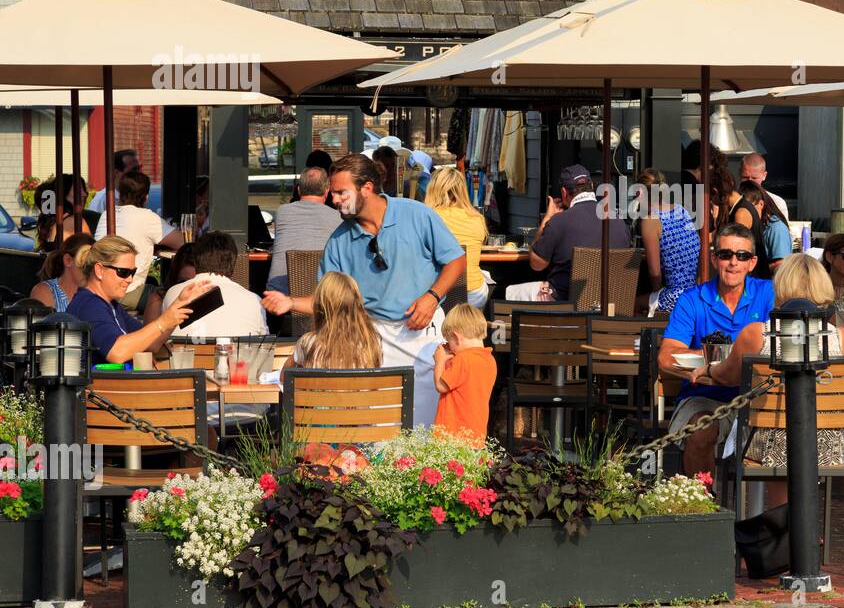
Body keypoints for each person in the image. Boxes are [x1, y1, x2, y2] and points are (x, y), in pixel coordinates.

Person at [262, 153, 466, 415]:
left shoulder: (416, 214)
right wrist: (290, 301)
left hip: (426, 333)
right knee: (383, 430)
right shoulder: (339, 240)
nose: (334, 200)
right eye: (333, 193)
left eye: (341, 193)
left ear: (367, 188)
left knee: (427, 425)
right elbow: (328, 301)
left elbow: (456, 260)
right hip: (373, 342)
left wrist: (432, 296)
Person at [689, 253, 844, 505]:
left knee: (776, 429)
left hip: (770, 443)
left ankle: (782, 523)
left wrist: (708, 369)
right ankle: (797, 527)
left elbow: (726, 376)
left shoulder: (757, 334)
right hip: (829, 445)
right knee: (789, 433)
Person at [658, 223, 776, 480]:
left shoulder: (768, 293)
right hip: (705, 396)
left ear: (752, 262)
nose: (734, 262)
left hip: (758, 396)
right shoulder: (692, 299)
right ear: (714, 259)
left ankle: (773, 515)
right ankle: (703, 508)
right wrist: (714, 363)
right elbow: (667, 356)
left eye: (742, 256)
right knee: (701, 430)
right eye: (726, 254)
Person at [66, 236, 210, 366]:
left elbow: (151, 343)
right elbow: (116, 352)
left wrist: (179, 307)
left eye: (132, 272)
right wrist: (164, 321)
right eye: (123, 272)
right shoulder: (90, 306)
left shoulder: (111, 305)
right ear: (99, 270)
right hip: (101, 393)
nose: (130, 279)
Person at [506, 165, 631, 303]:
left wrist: (546, 221)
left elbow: (537, 264)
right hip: (612, 305)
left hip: (567, 305)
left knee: (509, 292)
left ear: (564, 192)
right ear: (592, 186)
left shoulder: (558, 222)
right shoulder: (620, 222)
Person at [93, 170, 185, 311]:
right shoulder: (147, 218)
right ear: (146, 197)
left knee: (152, 282)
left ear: (121, 193)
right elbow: (183, 242)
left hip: (99, 288)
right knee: (169, 296)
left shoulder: (107, 215)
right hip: (125, 292)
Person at [162, 231, 269, 339]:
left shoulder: (173, 293)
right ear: (233, 263)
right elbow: (263, 346)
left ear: (196, 260)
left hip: (186, 355)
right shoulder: (254, 300)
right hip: (234, 355)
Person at [286, 272, 384, 370]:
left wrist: (296, 356)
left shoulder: (309, 343)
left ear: (319, 308)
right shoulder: (371, 342)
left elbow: (284, 376)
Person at [266, 167, 342, 294]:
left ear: (299, 189)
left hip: (279, 296)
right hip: (321, 296)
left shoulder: (282, 212)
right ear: (327, 191)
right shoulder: (338, 218)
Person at [636, 168, 699, 316]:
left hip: (677, 296)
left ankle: (646, 338)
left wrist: (656, 294)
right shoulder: (681, 210)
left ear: (641, 192)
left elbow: (655, 273)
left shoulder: (650, 219)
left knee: (632, 304)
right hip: (695, 291)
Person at [424, 167, 490, 309]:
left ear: (433, 189)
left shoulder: (428, 217)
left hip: (439, 292)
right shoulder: (477, 218)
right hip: (474, 294)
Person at [432, 303, 496, 438]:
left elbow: (440, 385)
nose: (449, 346)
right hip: (476, 431)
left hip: (453, 433)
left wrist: (439, 361)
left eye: (449, 341)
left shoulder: (462, 360)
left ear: (456, 337)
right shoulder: (489, 360)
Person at [737, 179, 791, 276]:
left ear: (761, 204)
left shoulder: (776, 228)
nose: (746, 214)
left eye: (750, 209)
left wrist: (752, 268)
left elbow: (781, 264)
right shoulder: (758, 225)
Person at [31, 233, 94, 312]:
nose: (92, 269)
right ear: (68, 260)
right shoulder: (44, 292)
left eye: (95, 264)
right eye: (86, 262)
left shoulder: (95, 293)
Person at [85, 149, 139, 216]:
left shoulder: (139, 195)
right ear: (116, 173)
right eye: (134, 170)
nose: (140, 174)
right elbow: (92, 225)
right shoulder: (101, 200)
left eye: (139, 168)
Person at [739, 152, 789, 222]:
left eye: (754, 178)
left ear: (764, 175)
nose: (750, 182)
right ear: (739, 173)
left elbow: (782, 231)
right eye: (745, 177)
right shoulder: (732, 200)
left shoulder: (777, 203)